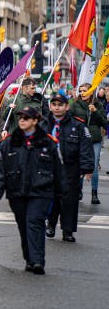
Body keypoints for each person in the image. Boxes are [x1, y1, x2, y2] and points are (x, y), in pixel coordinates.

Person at [0, 106, 66, 275]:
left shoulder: (48, 142)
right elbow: (0, 168)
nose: (22, 120)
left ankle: (38, 260)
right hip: (17, 190)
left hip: (41, 190)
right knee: (23, 225)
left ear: (35, 120)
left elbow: (58, 168)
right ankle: (29, 259)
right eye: (20, 117)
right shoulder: (10, 142)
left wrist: (62, 190)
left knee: (35, 222)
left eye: (26, 117)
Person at [45, 92, 94, 242]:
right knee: (51, 198)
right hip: (48, 167)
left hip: (70, 168)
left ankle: (68, 231)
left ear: (67, 107)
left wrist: (87, 169)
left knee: (69, 200)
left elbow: (85, 147)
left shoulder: (78, 125)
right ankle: (51, 225)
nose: (57, 108)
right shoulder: (42, 124)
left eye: (60, 105)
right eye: (54, 105)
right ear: (50, 106)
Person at [70, 83, 106, 205]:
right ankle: (78, 190)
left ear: (90, 92)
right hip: (80, 139)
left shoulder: (98, 105)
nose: (82, 93)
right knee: (80, 166)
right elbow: (69, 119)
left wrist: (95, 111)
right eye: (80, 91)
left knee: (94, 166)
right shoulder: (75, 105)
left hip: (94, 139)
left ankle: (94, 193)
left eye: (84, 90)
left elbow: (104, 122)